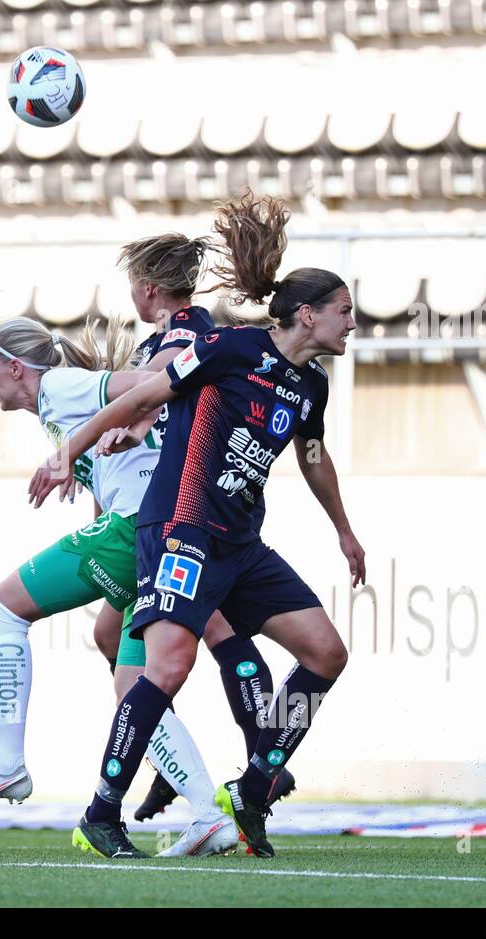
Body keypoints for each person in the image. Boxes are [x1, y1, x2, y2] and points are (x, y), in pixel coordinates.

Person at [29, 190, 366, 859]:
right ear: (308, 314)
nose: (353, 323)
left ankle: (253, 787)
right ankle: (101, 814)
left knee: (326, 652)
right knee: (169, 665)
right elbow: (143, 394)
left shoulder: (311, 386)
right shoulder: (229, 348)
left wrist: (344, 530)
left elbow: (313, 456)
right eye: (345, 310)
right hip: (181, 529)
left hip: (240, 543)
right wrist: (71, 450)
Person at [0, 317, 237, 856]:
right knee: (135, 689)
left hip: (135, 530)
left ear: (17, 368)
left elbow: (147, 384)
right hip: (154, 537)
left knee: (3, 608)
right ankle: (207, 815)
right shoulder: (56, 410)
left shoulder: (60, 386)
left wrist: (138, 417)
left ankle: (7, 765)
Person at [104, 233, 294, 828]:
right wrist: (140, 422)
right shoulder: (186, 331)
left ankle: (246, 761)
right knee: (120, 634)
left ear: (147, 288)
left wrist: (112, 409)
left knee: (199, 638)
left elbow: (162, 381)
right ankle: (180, 755)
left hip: (185, 508)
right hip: (192, 504)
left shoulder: (181, 331)